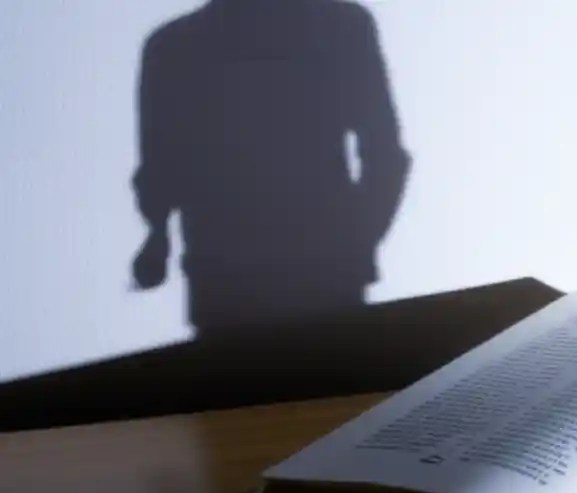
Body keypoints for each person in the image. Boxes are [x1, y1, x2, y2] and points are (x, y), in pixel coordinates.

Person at [130, 0, 410, 335]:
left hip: (281, 274)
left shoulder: (172, 45)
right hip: (235, 279)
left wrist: (355, 243)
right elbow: (159, 168)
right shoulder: (171, 47)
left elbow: (384, 152)